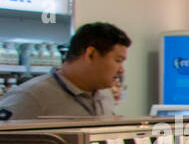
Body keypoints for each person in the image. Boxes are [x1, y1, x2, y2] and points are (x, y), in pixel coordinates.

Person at [0, 22, 130, 122]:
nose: (121, 69)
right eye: (118, 60)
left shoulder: (104, 95)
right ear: (90, 54)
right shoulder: (30, 98)